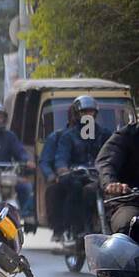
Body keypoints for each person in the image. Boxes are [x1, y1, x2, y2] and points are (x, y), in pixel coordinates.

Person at [53, 95, 114, 236]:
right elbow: (61, 157)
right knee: (76, 188)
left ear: (96, 113)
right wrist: (63, 168)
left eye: (91, 112)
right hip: (78, 175)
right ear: (76, 114)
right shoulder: (68, 136)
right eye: (84, 112)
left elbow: (113, 152)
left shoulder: (104, 134)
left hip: (100, 175)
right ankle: (78, 228)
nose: (88, 115)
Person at [39, 102, 77, 242]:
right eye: (83, 113)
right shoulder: (57, 136)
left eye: (90, 113)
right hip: (63, 178)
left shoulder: (98, 135)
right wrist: (52, 176)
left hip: (90, 177)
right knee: (54, 191)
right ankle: (59, 228)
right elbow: (45, 161)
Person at [98, 115, 139, 237]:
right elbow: (107, 162)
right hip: (130, 201)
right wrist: (111, 183)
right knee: (130, 224)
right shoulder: (125, 137)